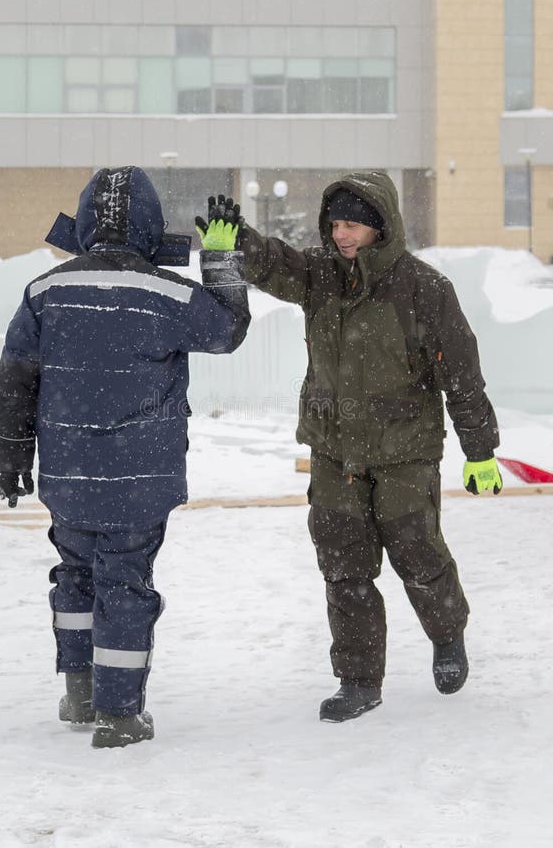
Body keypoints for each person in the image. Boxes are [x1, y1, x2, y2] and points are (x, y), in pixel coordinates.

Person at [196, 176, 502, 722]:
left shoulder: (424, 288)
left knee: (418, 553)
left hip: (405, 448)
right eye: (335, 224)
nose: (341, 235)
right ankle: (359, 679)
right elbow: (276, 265)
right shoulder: (319, 276)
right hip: (336, 448)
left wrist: (479, 450)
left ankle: (448, 634)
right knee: (343, 565)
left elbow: (462, 374)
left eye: (353, 225)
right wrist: (239, 241)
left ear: (379, 227)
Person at [0, 166, 249, 748]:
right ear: (150, 225)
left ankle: (80, 694)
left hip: (68, 472)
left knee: (74, 577)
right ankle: (119, 713)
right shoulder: (167, 292)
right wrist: (220, 261)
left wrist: (10, 457)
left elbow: (16, 381)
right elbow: (227, 330)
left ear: (84, 223)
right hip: (140, 475)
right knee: (125, 583)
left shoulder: (46, 291)